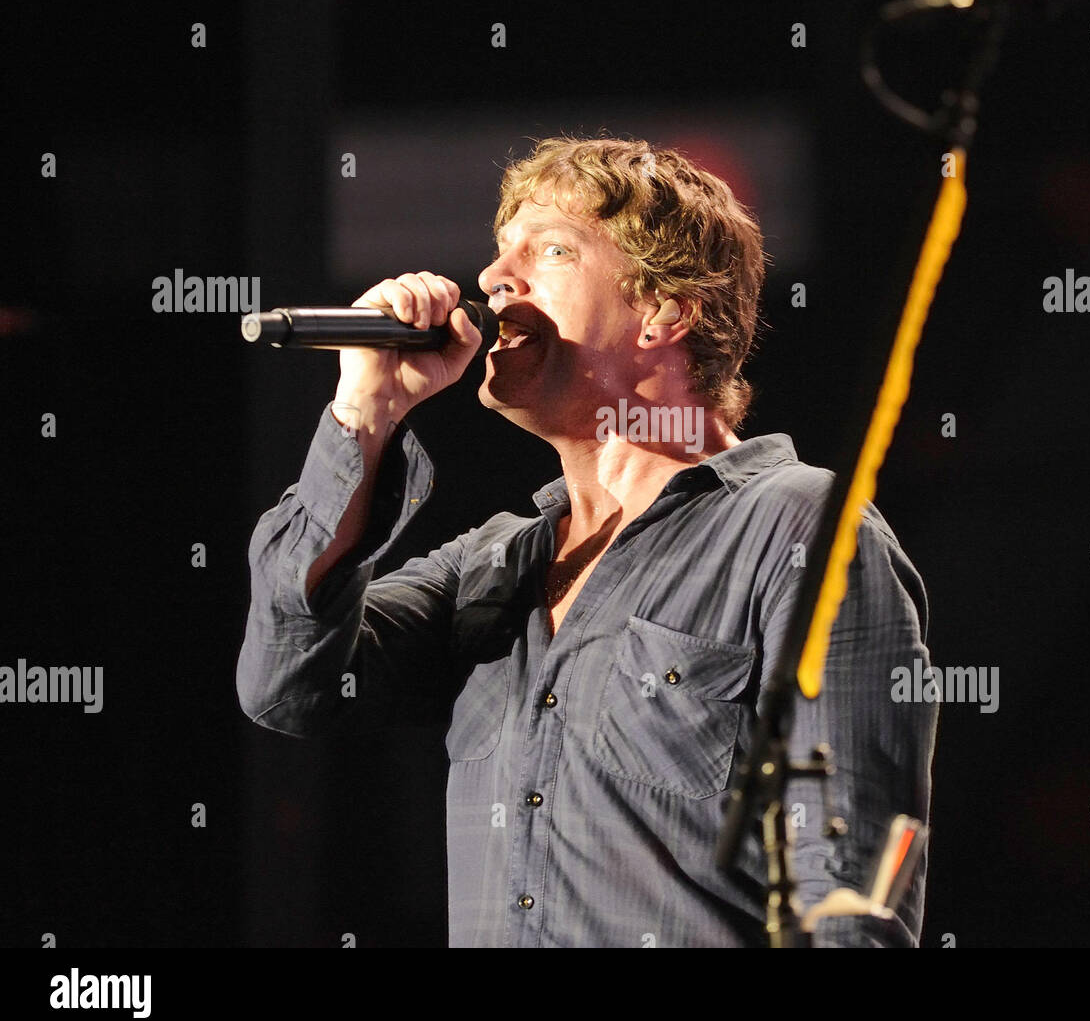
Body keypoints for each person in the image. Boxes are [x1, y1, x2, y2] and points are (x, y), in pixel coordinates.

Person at [237, 135, 938, 947]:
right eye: (500, 253)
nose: (496, 278)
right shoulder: (493, 567)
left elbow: (850, 909)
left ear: (665, 312)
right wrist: (366, 411)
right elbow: (287, 685)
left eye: (552, 250)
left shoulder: (800, 531)